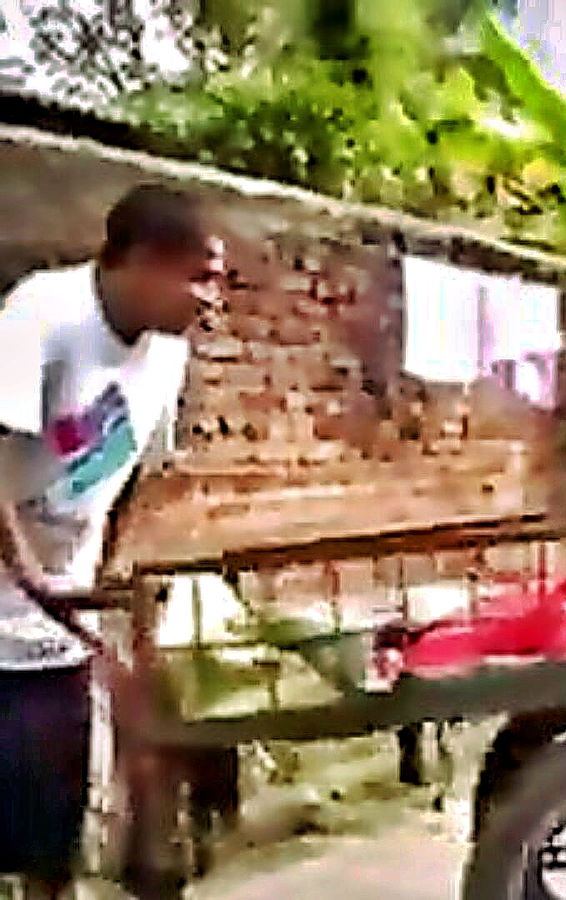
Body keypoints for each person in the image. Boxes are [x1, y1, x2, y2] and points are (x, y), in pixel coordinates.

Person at [0, 184, 223, 898]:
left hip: (57, 626)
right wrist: (30, 572)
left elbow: (140, 477)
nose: (210, 300)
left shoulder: (169, 356)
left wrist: (108, 583)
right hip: (22, 601)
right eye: (199, 277)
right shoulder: (46, 313)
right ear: (143, 262)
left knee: (51, 835)